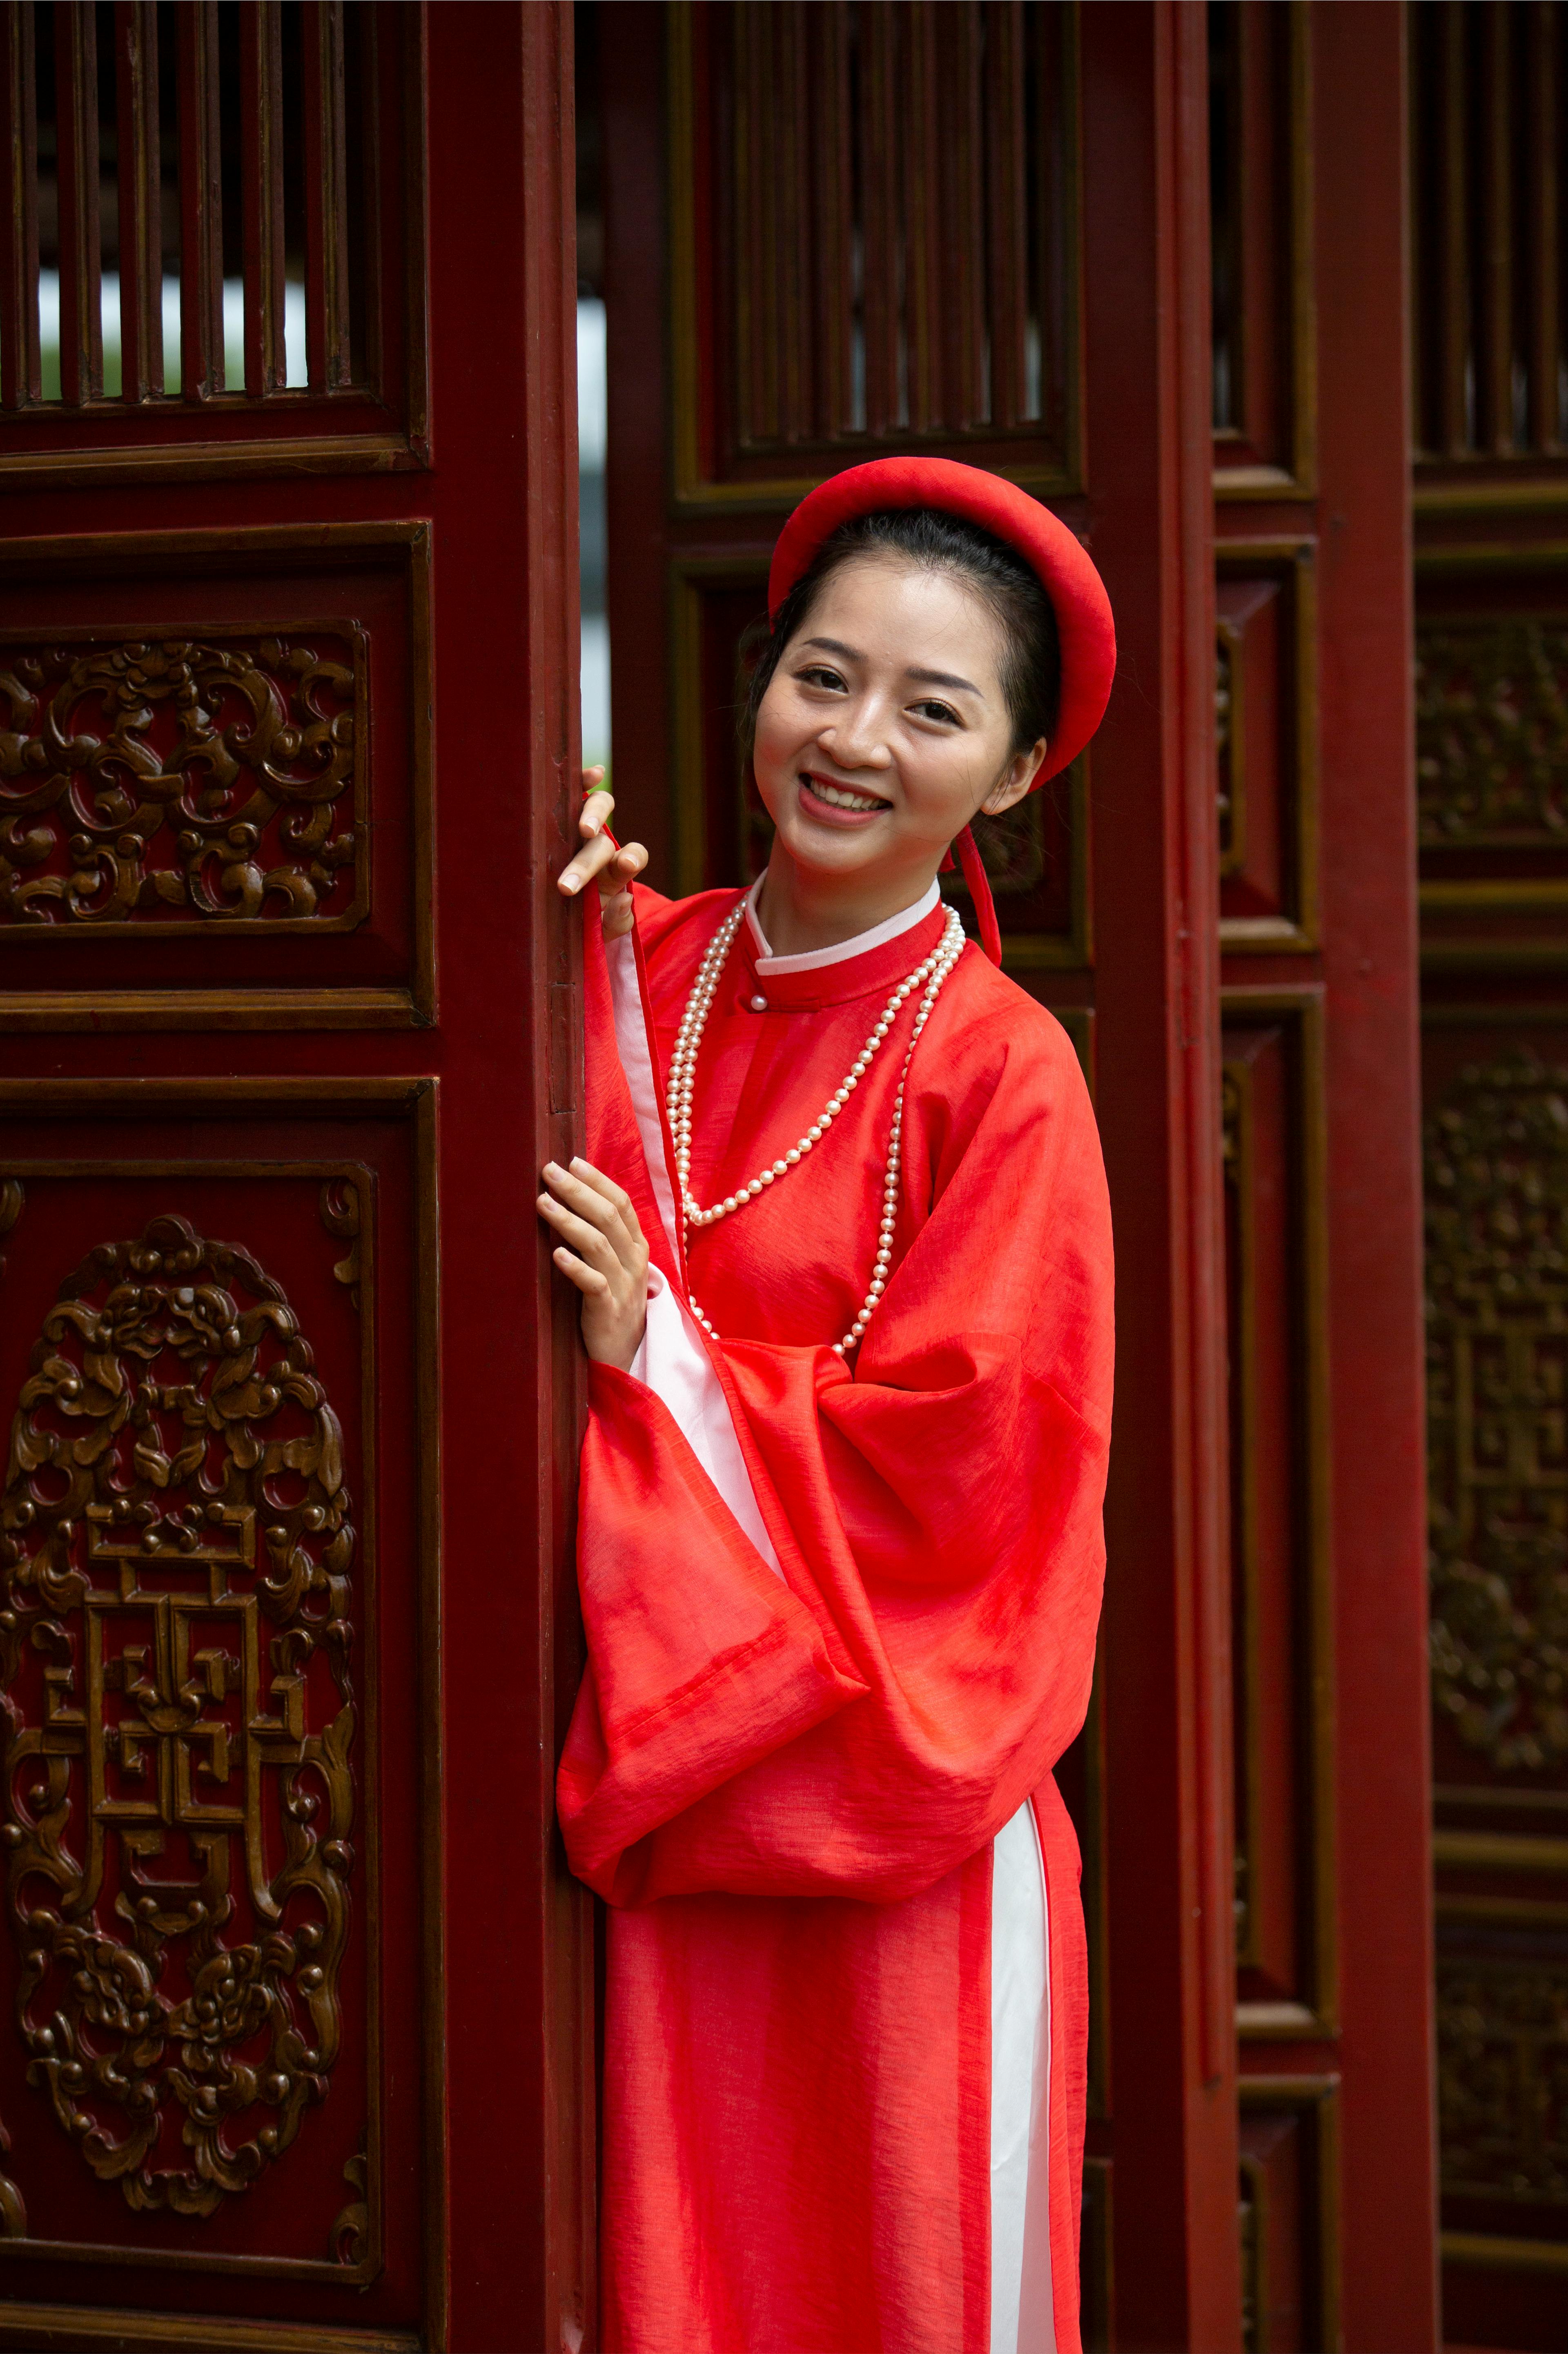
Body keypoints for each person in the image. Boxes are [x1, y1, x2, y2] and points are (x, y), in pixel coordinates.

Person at [539, 458, 1116, 2354]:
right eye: (824, 674)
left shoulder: (1004, 1070)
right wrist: (508, 915)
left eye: (934, 710)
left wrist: (664, 1358)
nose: (855, 740)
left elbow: (967, 1477)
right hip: (665, 1813)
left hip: (897, 1847)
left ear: (1015, 774)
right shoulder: (636, 972)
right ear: (763, 679)